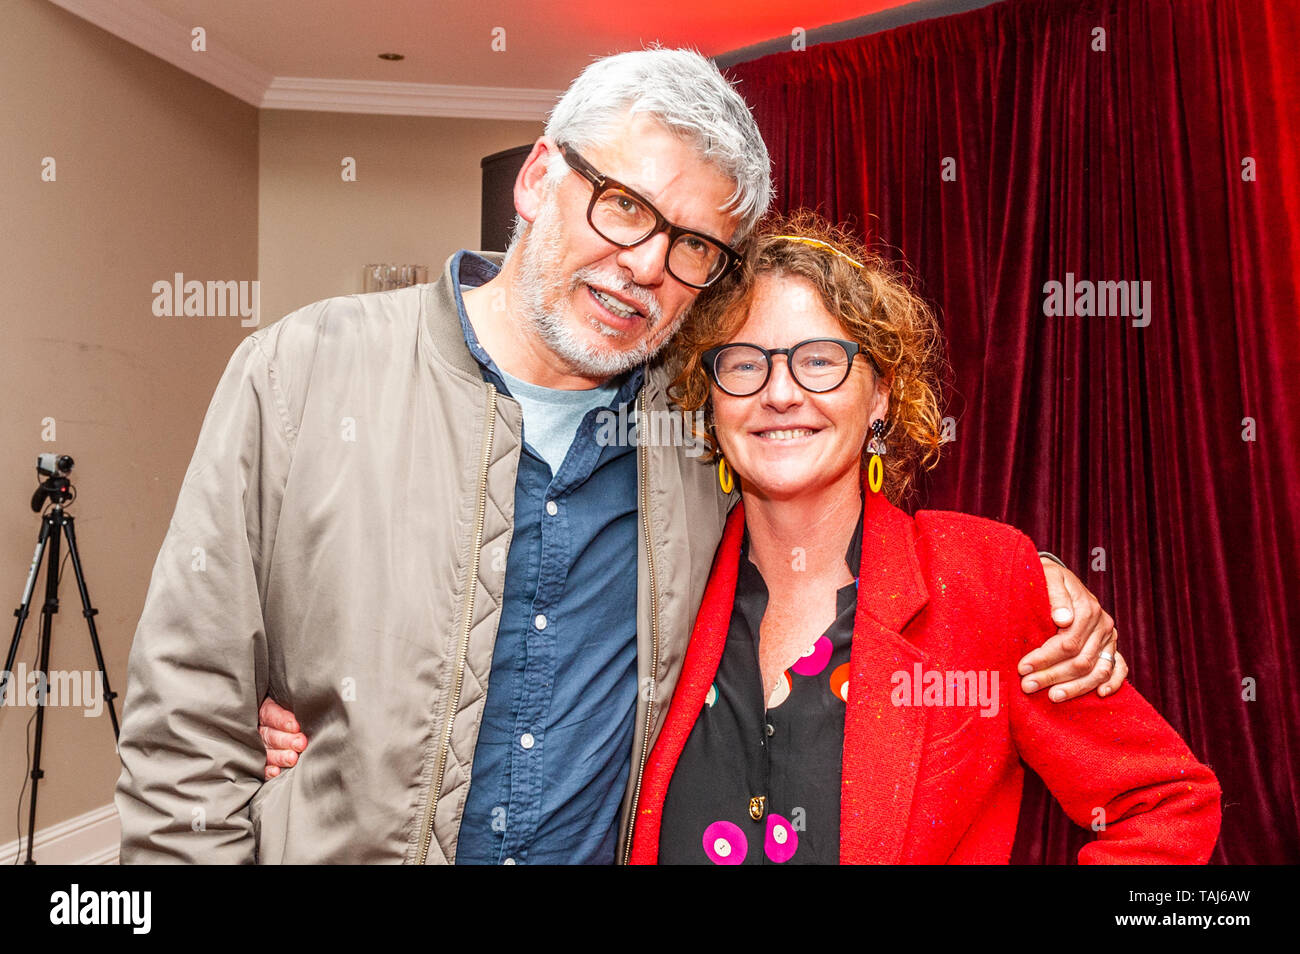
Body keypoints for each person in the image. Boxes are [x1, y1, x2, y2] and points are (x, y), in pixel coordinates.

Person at [116, 49, 1123, 866]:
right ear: (539, 177)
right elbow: (186, 723)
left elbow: (818, 515)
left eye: (693, 246)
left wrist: (1031, 583)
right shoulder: (300, 371)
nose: (646, 263)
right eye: (626, 206)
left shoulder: (695, 428)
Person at [623, 217, 1220, 864]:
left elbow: (1167, 801)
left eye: (819, 361)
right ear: (710, 397)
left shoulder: (986, 582)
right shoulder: (655, 578)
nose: (780, 392)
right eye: (743, 363)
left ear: (880, 393)